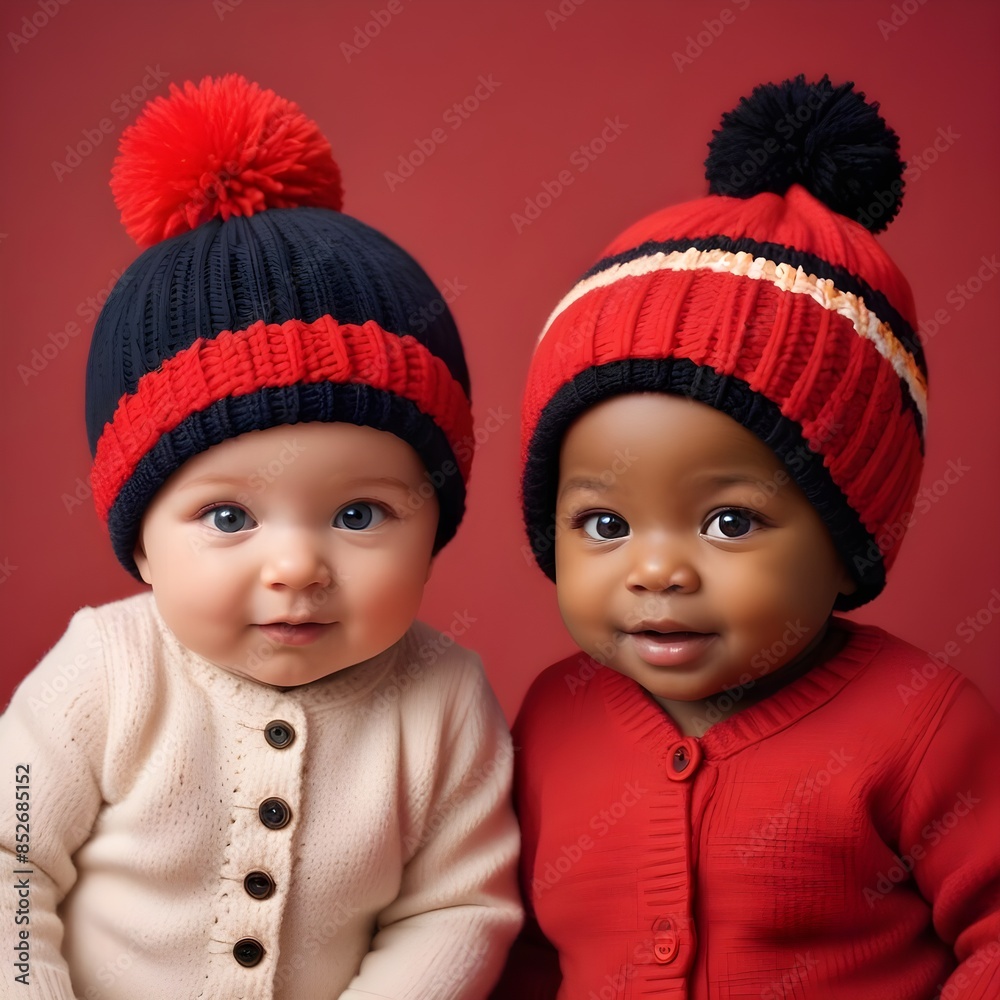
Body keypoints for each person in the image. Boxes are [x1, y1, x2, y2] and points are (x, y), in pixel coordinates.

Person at [0, 74, 521, 999]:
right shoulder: (108, 668)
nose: (296, 568)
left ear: (436, 522)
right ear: (143, 543)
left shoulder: (442, 699)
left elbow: (455, 911)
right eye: (228, 517)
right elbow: (10, 851)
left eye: (360, 515)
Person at [492, 76, 1000, 997]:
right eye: (603, 524)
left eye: (730, 521)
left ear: (849, 540)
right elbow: (521, 950)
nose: (656, 570)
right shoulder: (550, 718)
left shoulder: (922, 725)